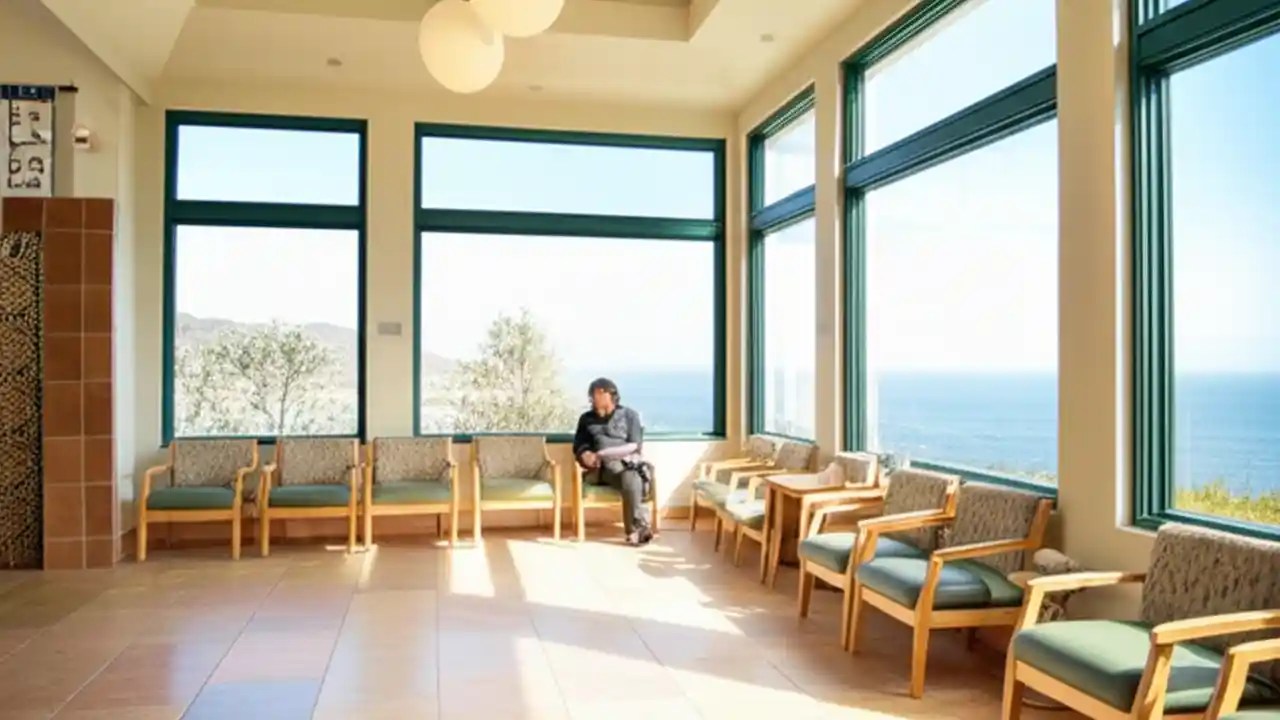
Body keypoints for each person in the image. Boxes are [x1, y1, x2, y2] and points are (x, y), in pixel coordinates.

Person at [572, 378, 652, 545]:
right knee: (628, 474)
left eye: (593, 395)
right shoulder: (586, 419)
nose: (591, 399)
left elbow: (636, 446)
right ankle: (640, 527)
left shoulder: (630, 416)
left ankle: (636, 531)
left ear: (605, 393)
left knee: (632, 477)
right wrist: (585, 454)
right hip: (601, 468)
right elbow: (579, 445)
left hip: (627, 465)